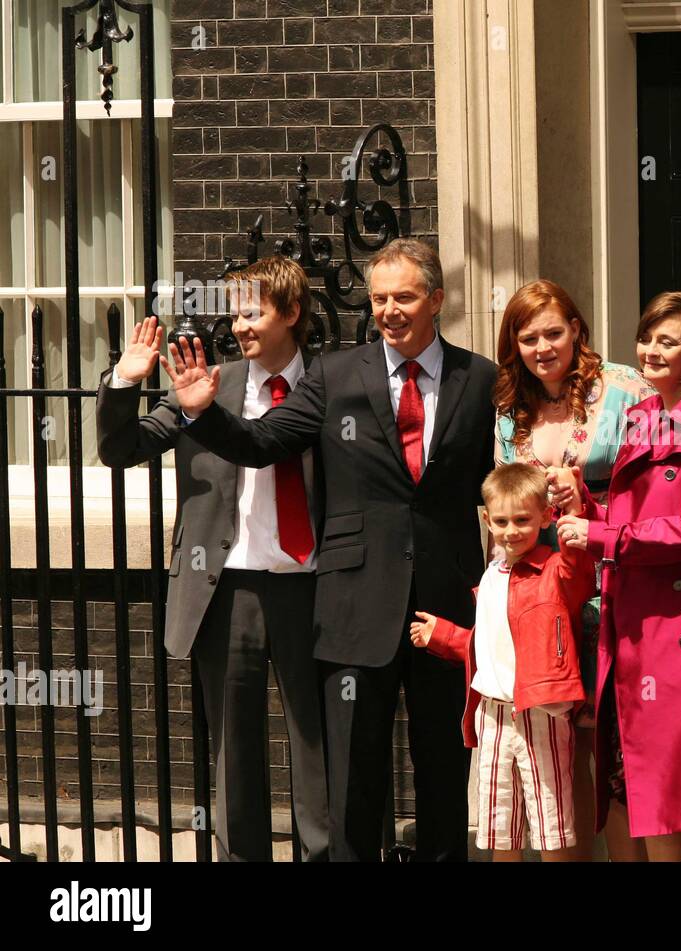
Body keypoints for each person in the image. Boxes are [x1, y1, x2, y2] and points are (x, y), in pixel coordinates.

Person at [161, 238, 497, 862]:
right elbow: (265, 441)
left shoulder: (478, 379)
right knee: (352, 780)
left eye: (405, 297)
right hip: (354, 603)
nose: (390, 310)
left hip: (447, 604)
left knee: (446, 771)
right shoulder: (336, 374)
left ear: (438, 301)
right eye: (379, 298)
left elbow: (497, 481)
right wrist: (205, 414)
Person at [95, 255, 329, 862]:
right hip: (227, 591)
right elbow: (121, 449)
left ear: (292, 312)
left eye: (253, 312)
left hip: (312, 589)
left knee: (318, 744)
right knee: (234, 751)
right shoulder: (209, 383)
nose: (241, 325)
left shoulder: (331, 386)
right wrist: (124, 382)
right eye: (236, 313)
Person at [556, 291, 681, 861]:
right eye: (648, 337)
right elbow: (633, 513)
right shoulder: (640, 416)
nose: (651, 350)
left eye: (669, 341)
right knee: (651, 784)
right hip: (632, 617)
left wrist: (603, 536)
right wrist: (585, 509)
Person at [493, 279, 652, 859]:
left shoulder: (626, 388)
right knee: (563, 742)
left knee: (617, 741)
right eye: (527, 337)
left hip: (617, 582)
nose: (542, 347)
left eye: (553, 332)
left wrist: (591, 499)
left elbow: (660, 489)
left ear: (578, 329)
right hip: (547, 596)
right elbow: (504, 500)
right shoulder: (511, 407)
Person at [410, 463, 592, 861]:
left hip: (541, 712)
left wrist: (574, 507)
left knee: (551, 828)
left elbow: (580, 564)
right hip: (492, 715)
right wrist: (441, 634)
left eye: (523, 520)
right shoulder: (491, 575)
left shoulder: (555, 570)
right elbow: (487, 648)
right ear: (488, 521)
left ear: (545, 516)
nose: (512, 530)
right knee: (499, 830)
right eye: (503, 521)